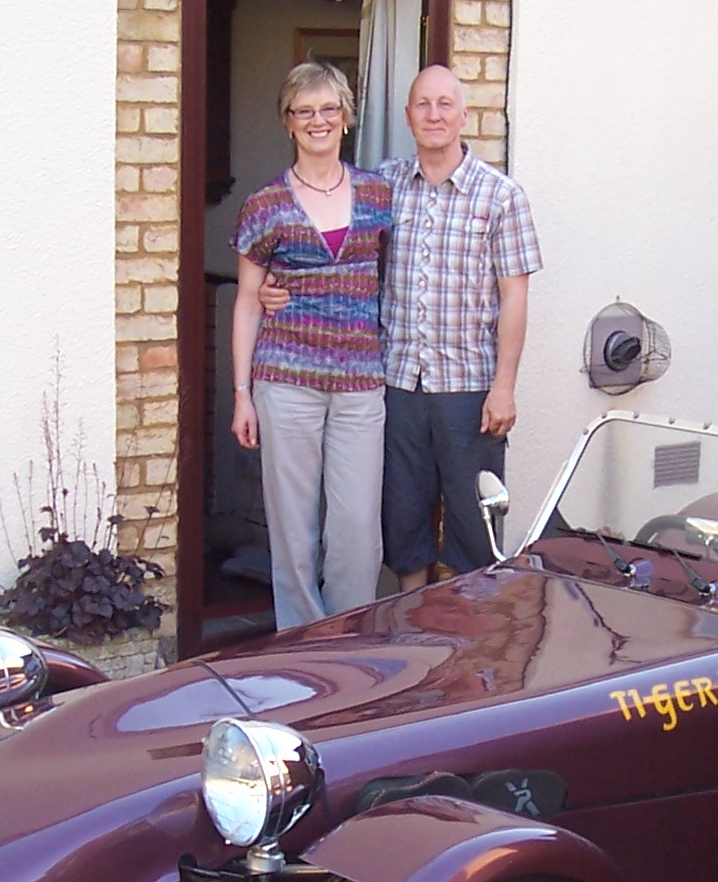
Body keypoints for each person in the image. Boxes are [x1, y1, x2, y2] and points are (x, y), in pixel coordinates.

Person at [267, 64, 541, 589]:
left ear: (464, 115)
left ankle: (468, 649)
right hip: (395, 383)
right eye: (423, 104)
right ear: (408, 116)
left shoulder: (501, 196)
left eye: (445, 104)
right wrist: (271, 285)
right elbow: (333, 256)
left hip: (469, 388)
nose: (434, 114)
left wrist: (504, 387)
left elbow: (515, 297)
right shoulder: (383, 186)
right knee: (405, 524)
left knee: (474, 530)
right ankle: (412, 634)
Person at [228, 62, 394, 628]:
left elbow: (395, 279)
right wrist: (242, 393)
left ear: (346, 118)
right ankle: (300, 642)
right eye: (304, 111)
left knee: (356, 528)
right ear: (289, 123)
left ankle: (347, 638)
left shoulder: (378, 195)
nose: (317, 120)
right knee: (292, 527)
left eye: (328, 109)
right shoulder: (267, 203)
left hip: (359, 386)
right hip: (286, 382)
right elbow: (248, 301)